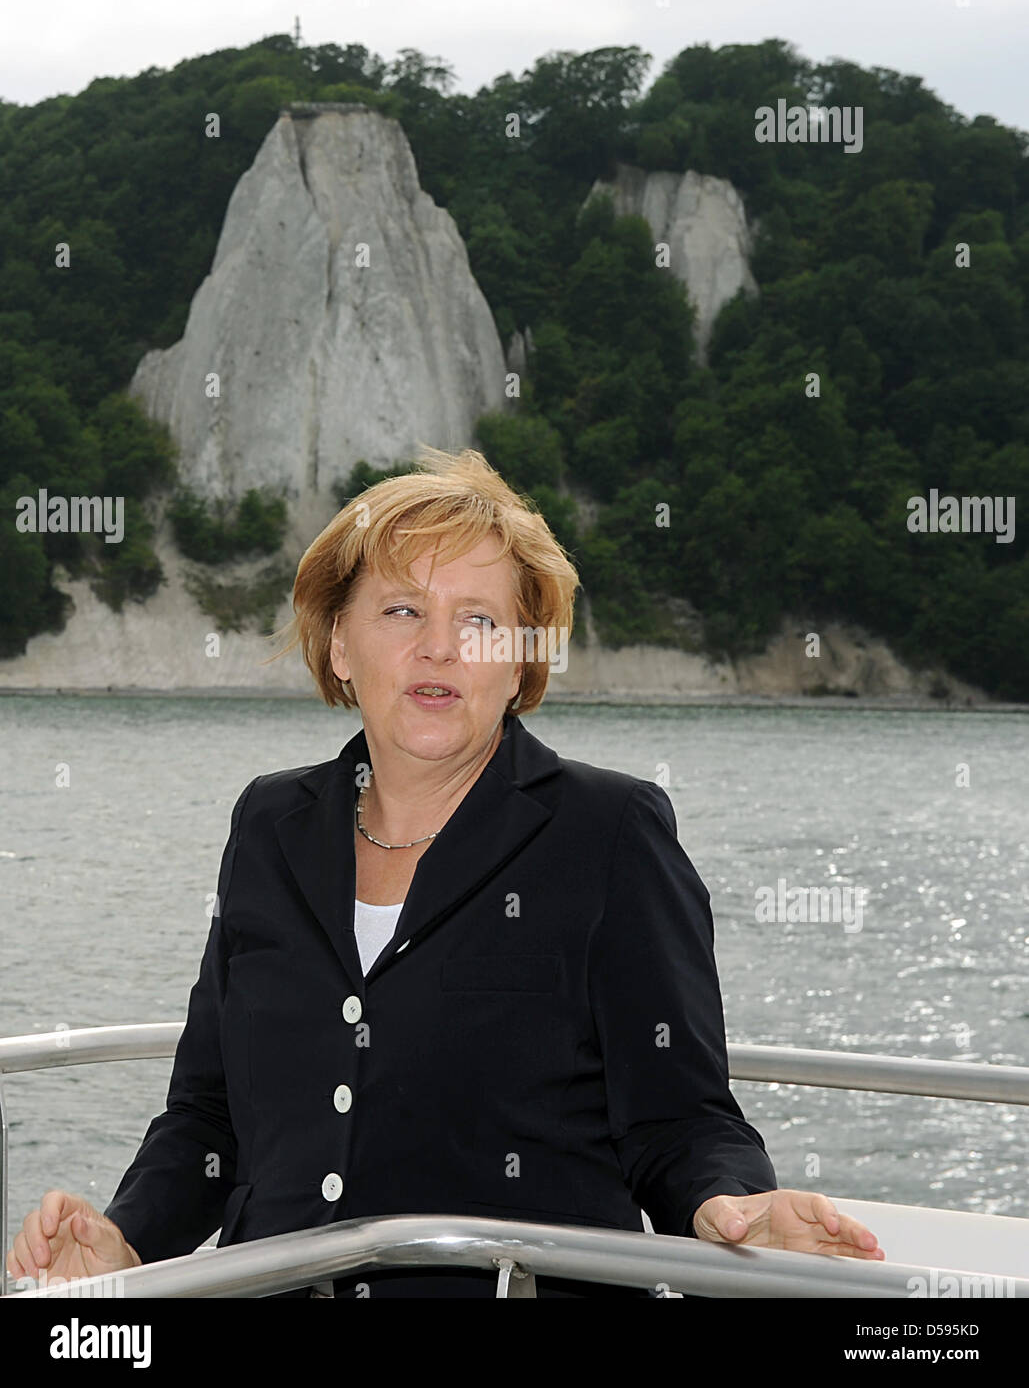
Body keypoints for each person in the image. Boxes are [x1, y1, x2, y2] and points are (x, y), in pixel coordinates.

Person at [6, 447, 884, 1298]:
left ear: (519, 661)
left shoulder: (608, 832)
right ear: (339, 645)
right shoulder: (269, 824)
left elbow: (676, 1116)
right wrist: (126, 1237)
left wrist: (732, 1208)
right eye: (400, 612)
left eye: (477, 620)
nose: (438, 648)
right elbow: (208, 1116)